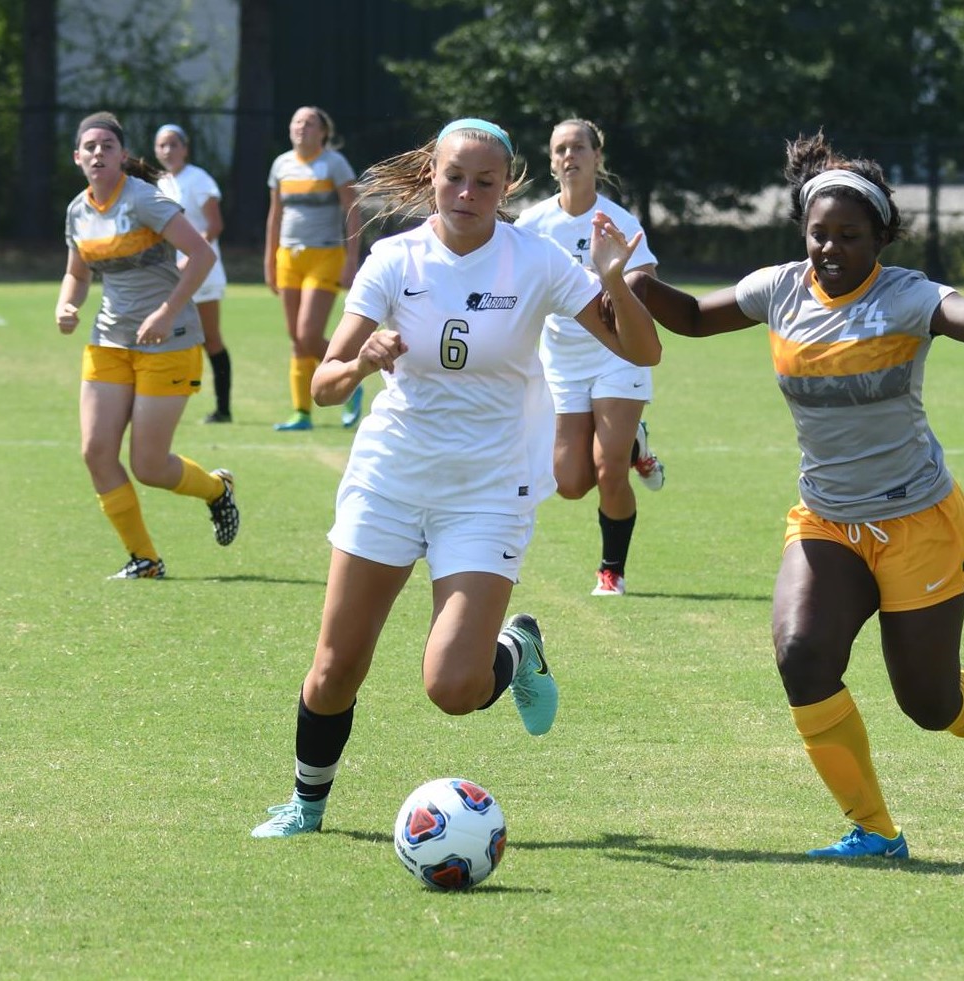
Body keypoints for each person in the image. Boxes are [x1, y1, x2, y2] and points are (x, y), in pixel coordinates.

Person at [625, 132, 964, 859]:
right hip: (828, 517)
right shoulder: (778, 288)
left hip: (917, 519)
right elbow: (688, 316)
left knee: (930, 705)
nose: (831, 249)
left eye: (849, 235)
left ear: (881, 235)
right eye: (820, 234)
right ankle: (874, 829)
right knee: (801, 654)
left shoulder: (906, 295)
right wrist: (635, 284)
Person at [250, 118, 662, 837]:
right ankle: (306, 806)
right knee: (335, 668)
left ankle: (515, 647)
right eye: (454, 177)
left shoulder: (534, 261)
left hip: (487, 491)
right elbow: (323, 385)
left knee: (451, 687)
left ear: (507, 188)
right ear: (430, 176)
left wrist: (612, 280)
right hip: (391, 478)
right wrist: (363, 361)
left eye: (484, 181)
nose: (467, 192)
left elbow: (644, 347)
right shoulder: (393, 259)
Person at [56, 111, 241, 579]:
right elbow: (77, 272)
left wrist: (166, 311)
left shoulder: (143, 201)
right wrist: (68, 304)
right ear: (78, 157)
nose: (98, 153)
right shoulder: (78, 211)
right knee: (96, 452)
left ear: (121, 156)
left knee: (149, 465)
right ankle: (145, 560)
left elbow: (201, 254)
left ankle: (216, 490)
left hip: (170, 341)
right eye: (90, 147)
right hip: (109, 340)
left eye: (107, 147)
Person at [517, 118, 667, 598]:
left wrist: (618, 280)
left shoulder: (619, 222)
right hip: (561, 358)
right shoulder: (533, 225)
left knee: (608, 470)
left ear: (597, 157)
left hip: (617, 355)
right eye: (560, 148)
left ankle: (611, 570)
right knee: (570, 482)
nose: (569, 156)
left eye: (578, 147)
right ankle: (637, 447)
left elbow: (646, 288)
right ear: (551, 160)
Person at [265, 106, 364, 431]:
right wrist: (270, 259)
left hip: (325, 256)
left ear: (323, 131)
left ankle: (350, 379)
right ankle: (302, 413)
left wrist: (352, 259)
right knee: (296, 339)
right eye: (296, 122)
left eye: (309, 123)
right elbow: (275, 215)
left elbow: (352, 210)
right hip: (288, 258)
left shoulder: (334, 163)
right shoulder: (281, 164)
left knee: (308, 335)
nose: (301, 128)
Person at [153, 123, 235, 424]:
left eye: (174, 144)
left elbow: (214, 225)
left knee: (210, 339)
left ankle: (223, 409)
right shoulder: (159, 183)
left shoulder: (199, 179)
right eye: (162, 145)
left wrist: (191, 257)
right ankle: (161, 403)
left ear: (185, 148)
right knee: (169, 336)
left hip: (202, 271)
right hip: (169, 275)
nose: (168, 150)